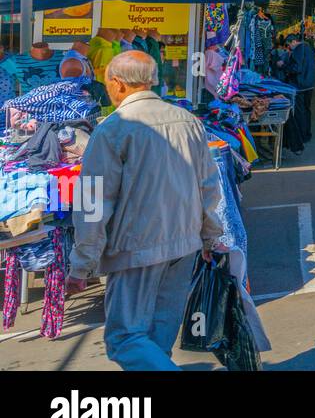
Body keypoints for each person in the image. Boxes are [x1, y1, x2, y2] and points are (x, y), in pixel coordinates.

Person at [67, 51, 224, 371]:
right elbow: (209, 185)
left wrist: (81, 264)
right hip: (184, 242)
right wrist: (210, 236)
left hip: (136, 247)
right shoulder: (187, 121)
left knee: (125, 338)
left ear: (118, 84)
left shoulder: (112, 129)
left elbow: (91, 203)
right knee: (156, 340)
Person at [284, 33, 315, 147]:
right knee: (307, 110)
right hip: (310, 84)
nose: (289, 47)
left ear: (293, 41)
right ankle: (307, 133)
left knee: (300, 111)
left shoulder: (298, 50)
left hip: (300, 85)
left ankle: (301, 135)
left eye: (289, 45)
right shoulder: (309, 48)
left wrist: (285, 67)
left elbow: (297, 68)